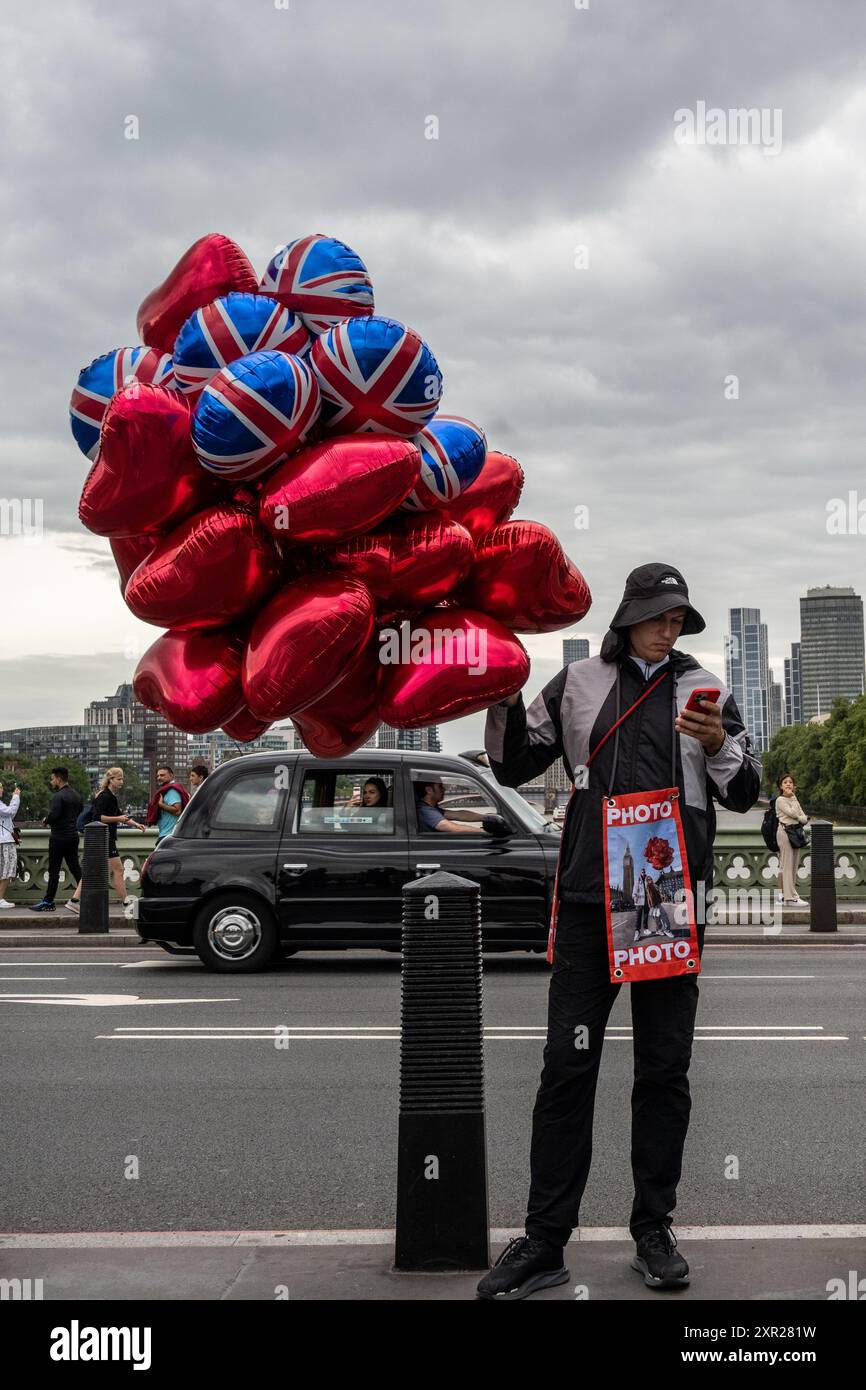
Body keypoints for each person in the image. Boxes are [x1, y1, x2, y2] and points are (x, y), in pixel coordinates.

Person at [478, 562, 761, 1300]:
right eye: (662, 615)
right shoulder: (575, 684)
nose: (673, 628)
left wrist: (717, 742)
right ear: (629, 614)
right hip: (586, 899)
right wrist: (500, 683)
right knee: (566, 1069)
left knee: (663, 1070)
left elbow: (744, 794)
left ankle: (653, 1228)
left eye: (681, 619)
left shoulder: (704, 690)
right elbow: (513, 762)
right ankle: (544, 1241)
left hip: (664, 895)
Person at [67, 767, 145, 913]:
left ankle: (74, 900)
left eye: (122, 779)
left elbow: (119, 814)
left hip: (102, 837)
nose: (122, 782)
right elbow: (97, 818)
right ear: (111, 779)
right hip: (104, 837)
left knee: (93, 870)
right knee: (118, 869)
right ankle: (126, 903)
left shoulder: (107, 796)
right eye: (119, 779)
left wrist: (135, 824)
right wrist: (118, 819)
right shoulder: (105, 797)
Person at [30, 767, 83, 913]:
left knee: (54, 870)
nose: (51, 781)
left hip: (59, 838)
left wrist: (46, 820)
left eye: (53, 778)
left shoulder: (58, 796)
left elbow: (55, 815)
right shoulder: (76, 795)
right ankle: (87, 896)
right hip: (73, 836)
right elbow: (79, 811)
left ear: (59, 779)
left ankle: (48, 901)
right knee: (75, 868)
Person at [775, 773, 809, 906]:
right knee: (787, 866)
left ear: (794, 786)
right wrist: (797, 813)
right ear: (781, 786)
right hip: (785, 833)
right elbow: (793, 813)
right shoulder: (780, 800)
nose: (788, 784)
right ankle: (790, 898)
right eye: (785, 782)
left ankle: (787, 896)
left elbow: (804, 818)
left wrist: (799, 817)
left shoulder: (794, 799)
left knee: (793, 865)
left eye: (790, 782)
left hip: (795, 833)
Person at [415, 777, 486, 833]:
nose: (444, 789)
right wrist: (485, 832)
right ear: (429, 790)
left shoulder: (431, 808)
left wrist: (486, 817)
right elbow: (455, 829)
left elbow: (459, 814)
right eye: (440, 786)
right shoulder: (424, 810)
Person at [145, 765, 189, 838]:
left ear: (171, 775)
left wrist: (161, 805)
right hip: (168, 834)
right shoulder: (167, 790)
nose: (159, 778)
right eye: (158, 776)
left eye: (162, 775)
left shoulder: (172, 790)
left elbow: (177, 811)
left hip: (169, 835)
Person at [0, 779, 21, 909]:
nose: (2, 790)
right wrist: (16, 797)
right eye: (0, 787)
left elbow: (7, 818)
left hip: (4, 840)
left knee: (4, 869)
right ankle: (0, 899)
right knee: (6, 870)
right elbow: (10, 812)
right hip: (4, 842)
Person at [631, 868, 649, 941]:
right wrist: (634, 896)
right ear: (640, 873)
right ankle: (637, 932)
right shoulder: (638, 879)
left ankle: (645, 929)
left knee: (645, 916)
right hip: (639, 901)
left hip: (646, 901)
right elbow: (635, 888)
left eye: (644, 872)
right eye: (642, 872)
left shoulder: (647, 879)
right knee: (638, 917)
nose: (643, 873)